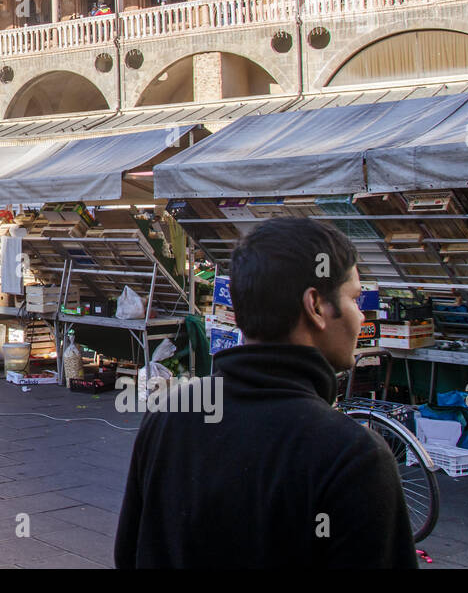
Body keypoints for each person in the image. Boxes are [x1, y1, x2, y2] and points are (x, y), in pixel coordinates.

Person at [114, 217, 418, 569]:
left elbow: (130, 555)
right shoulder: (352, 455)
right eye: (354, 299)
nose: (361, 316)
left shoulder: (170, 416)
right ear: (316, 306)